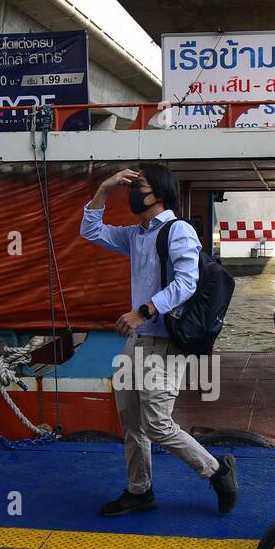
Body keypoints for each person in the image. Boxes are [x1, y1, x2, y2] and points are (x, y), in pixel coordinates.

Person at [80, 163, 238, 516]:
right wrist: (104, 190)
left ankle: (217, 470)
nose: (133, 191)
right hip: (138, 342)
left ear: (161, 192)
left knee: (157, 424)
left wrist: (144, 310)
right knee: (131, 420)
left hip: (165, 343)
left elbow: (187, 282)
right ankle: (140, 490)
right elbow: (91, 231)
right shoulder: (137, 235)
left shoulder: (178, 231)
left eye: (141, 185)